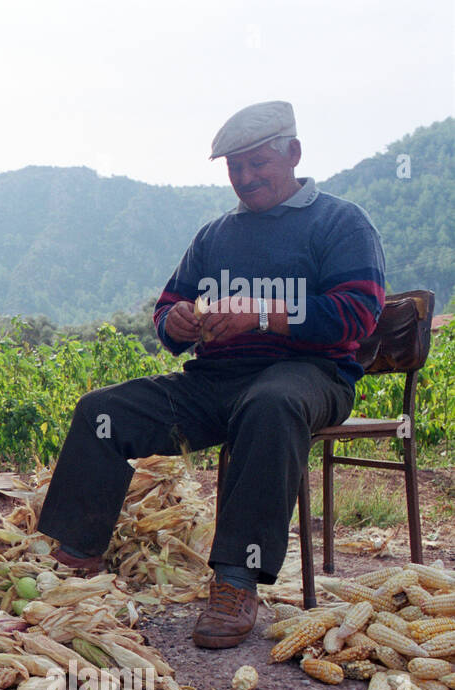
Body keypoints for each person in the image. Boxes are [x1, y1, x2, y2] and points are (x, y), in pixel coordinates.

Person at [36, 101, 385, 648]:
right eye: (234, 168)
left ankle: (237, 579)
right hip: (214, 383)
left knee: (270, 404)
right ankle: (75, 555)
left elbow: (357, 315)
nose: (245, 178)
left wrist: (265, 314)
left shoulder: (341, 222)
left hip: (309, 375)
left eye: (257, 164)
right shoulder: (214, 235)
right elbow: (168, 315)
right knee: (103, 412)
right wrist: (175, 322)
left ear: (292, 153)